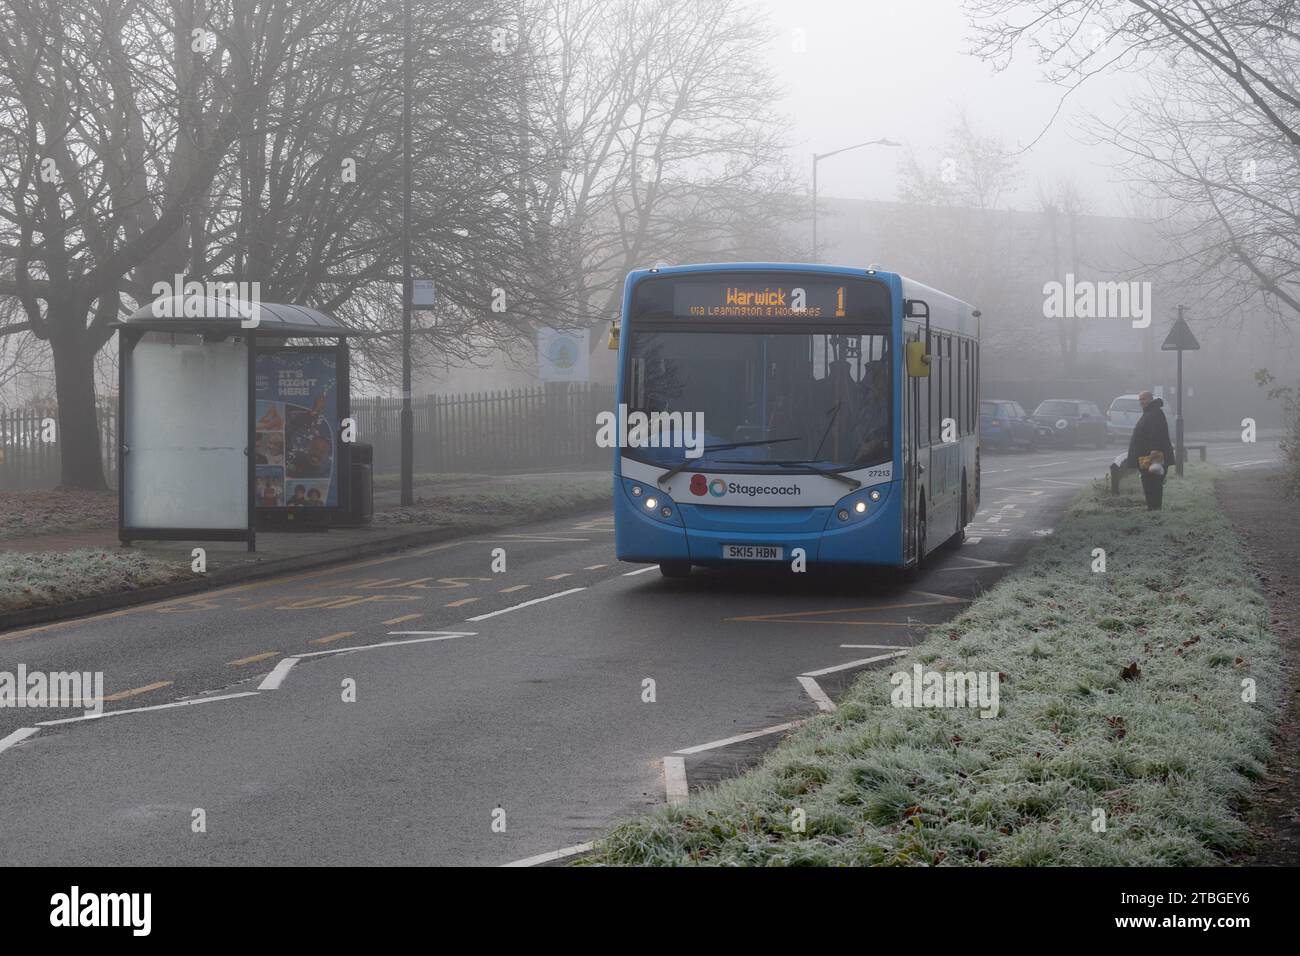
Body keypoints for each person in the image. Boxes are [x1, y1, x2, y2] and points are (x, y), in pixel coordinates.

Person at [1124, 390, 1175, 510]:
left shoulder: (1155, 413)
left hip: (1152, 458)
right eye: (1140, 400)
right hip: (1146, 458)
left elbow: (1156, 434)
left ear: (1150, 400)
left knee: (1153, 485)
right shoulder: (1150, 412)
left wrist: (1154, 453)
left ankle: (1154, 510)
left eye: (1144, 399)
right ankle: (1152, 509)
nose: (1141, 402)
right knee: (1148, 484)